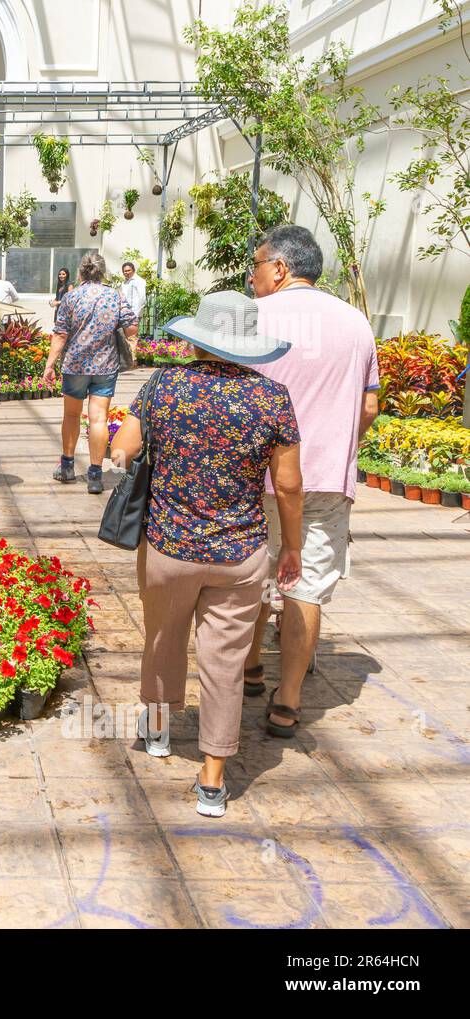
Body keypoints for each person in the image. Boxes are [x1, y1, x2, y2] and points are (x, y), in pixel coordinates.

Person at [110, 290, 303, 819]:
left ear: (198, 337)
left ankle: (155, 731)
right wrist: (293, 547)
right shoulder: (273, 399)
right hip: (240, 553)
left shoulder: (164, 386)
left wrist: (117, 452)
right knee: (225, 662)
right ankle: (213, 779)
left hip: (168, 547)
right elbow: (288, 488)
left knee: (161, 635)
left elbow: (122, 447)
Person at [241, 225, 381, 736]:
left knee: (251, 576)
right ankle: (289, 699)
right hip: (323, 479)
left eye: (256, 266)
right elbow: (369, 404)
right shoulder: (356, 323)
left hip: (253, 475)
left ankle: (251, 667)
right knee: (307, 586)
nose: (253, 277)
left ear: (279, 268)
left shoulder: (254, 316)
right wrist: (335, 442)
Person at [41, 253, 138, 494]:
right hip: (105, 365)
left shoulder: (71, 297)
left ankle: (67, 466)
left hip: (75, 365)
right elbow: (132, 328)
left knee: (72, 416)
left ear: (81, 272)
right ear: (102, 272)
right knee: (98, 419)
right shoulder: (114, 295)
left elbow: (61, 333)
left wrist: (49, 365)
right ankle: (95, 476)